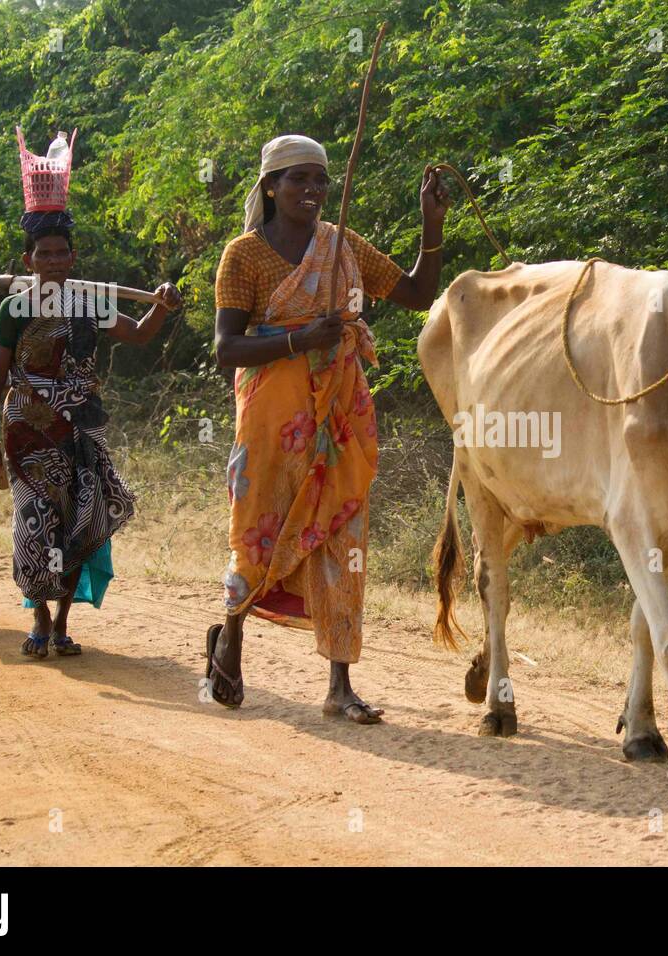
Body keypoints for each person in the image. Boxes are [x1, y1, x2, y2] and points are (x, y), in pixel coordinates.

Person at [208, 133, 449, 720]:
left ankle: (340, 687)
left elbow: (417, 294)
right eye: (299, 179)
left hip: (339, 416)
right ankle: (230, 638)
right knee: (259, 533)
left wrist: (431, 223)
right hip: (271, 421)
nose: (313, 190)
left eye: (320, 179)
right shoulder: (244, 255)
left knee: (343, 536)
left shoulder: (340, 246)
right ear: (271, 186)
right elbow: (225, 348)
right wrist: (297, 339)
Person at [0, 211, 182, 657]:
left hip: (80, 431)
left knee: (77, 520)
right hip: (27, 434)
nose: (53, 260)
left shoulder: (90, 302)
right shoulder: (15, 308)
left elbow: (141, 334)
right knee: (35, 524)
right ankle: (39, 616)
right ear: (28, 259)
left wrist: (162, 304)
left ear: (72, 257)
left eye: (61, 252)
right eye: (43, 253)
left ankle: (63, 621)